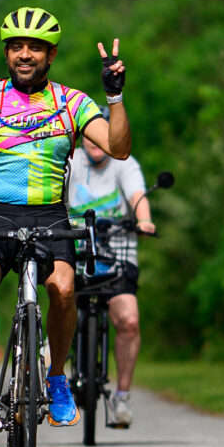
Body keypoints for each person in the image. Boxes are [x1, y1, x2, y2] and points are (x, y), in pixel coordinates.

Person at [0, 6, 131, 430]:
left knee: (64, 287)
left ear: (50, 55)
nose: (24, 54)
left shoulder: (71, 102)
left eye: (34, 47)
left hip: (50, 214)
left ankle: (56, 379)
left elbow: (118, 148)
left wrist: (114, 97)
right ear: (6, 53)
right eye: (16, 46)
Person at [68, 125, 154, 426]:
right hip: (75, 249)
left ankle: (121, 398)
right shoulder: (70, 161)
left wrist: (143, 220)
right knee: (59, 297)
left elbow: (137, 195)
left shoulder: (124, 162)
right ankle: (51, 370)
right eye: (90, 136)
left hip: (117, 249)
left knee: (129, 320)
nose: (96, 143)